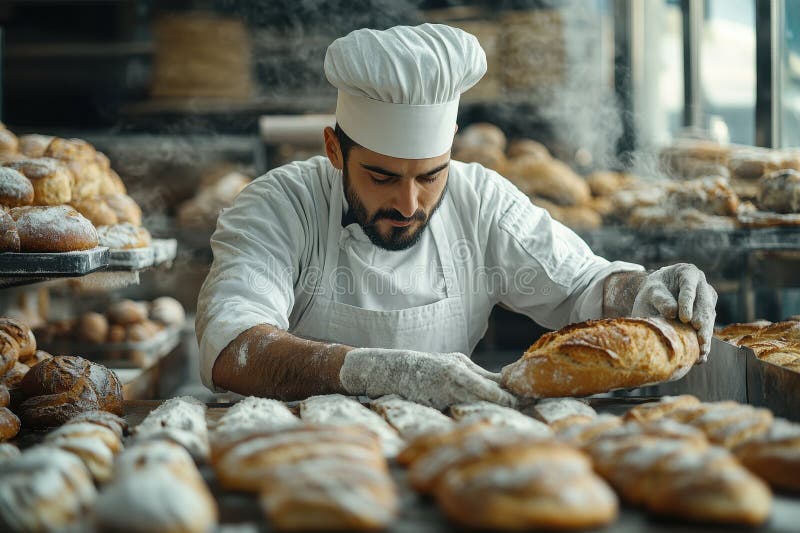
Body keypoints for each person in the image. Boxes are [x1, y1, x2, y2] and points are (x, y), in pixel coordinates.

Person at [196, 24, 717, 409]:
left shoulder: (480, 199)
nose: (408, 204)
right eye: (381, 177)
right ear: (335, 150)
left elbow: (582, 284)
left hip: (450, 461)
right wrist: (378, 369)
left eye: (429, 176)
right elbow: (234, 346)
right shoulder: (279, 206)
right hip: (301, 462)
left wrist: (645, 289)